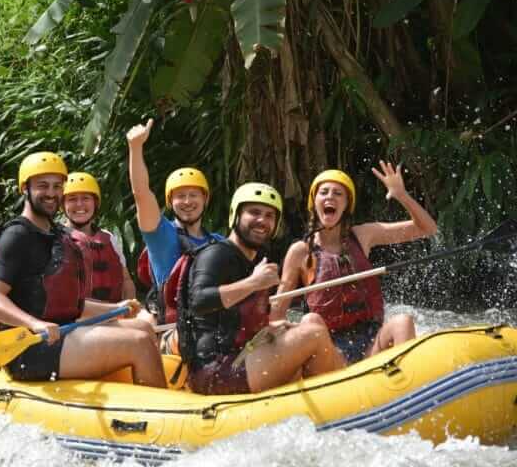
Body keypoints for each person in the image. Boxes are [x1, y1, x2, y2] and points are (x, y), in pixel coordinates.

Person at [0, 152, 166, 387]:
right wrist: (35, 324)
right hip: (31, 346)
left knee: (144, 328)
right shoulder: (17, 235)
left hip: (64, 333)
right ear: (25, 188)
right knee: (139, 342)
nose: (52, 193)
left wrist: (114, 308)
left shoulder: (56, 234)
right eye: (43, 185)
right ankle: (156, 417)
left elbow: (69, 303)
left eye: (57, 186)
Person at [177, 183, 341, 395]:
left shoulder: (253, 262)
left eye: (269, 216)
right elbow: (198, 301)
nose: (262, 221)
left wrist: (272, 328)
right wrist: (253, 282)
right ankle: (338, 397)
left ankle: (329, 395)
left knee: (312, 320)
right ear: (235, 216)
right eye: (254, 212)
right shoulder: (215, 254)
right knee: (313, 334)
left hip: (244, 356)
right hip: (216, 371)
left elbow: (240, 321)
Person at [271, 164, 438, 364]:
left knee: (403, 322)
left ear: (346, 205)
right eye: (323, 192)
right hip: (330, 350)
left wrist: (402, 195)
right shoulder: (300, 251)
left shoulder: (363, 235)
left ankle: (408, 385)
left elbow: (427, 229)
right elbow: (277, 313)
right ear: (314, 202)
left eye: (338, 193)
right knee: (309, 321)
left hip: (371, 342)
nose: (330, 197)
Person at [126, 119, 222, 350]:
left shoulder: (219, 243)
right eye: (180, 196)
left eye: (194, 195)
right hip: (175, 333)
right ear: (170, 202)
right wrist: (135, 148)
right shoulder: (161, 235)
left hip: (214, 327)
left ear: (205, 199)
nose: (187, 202)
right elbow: (141, 193)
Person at [62, 172, 137, 303]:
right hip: (75, 318)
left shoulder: (109, 238)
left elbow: (126, 280)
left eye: (85, 198)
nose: (79, 204)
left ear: (95, 203)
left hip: (114, 313)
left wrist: (131, 306)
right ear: (63, 205)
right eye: (72, 199)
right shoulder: (55, 238)